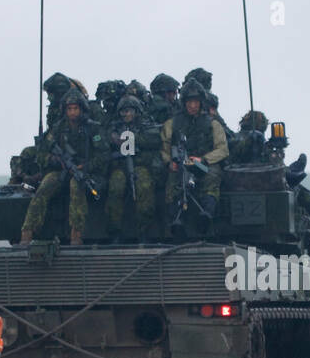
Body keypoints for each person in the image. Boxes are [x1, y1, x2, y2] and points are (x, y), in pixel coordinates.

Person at [20, 86, 107, 245]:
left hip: (85, 172)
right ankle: (27, 232)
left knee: (77, 186)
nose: (72, 112)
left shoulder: (92, 128)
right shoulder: (58, 128)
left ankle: (76, 234)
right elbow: (41, 153)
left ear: (82, 109)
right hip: (61, 171)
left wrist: (85, 166)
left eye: (75, 108)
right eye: (69, 109)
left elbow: (103, 155)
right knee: (44, 187)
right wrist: (54, 160)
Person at [162, 78, 228, 222]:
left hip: (204, 164)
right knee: (173, 183)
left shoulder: (213, 124)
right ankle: (174, 219)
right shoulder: (172, 124)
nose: (193, 106)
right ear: (184, 102)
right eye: (189, 102)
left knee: (212, 176)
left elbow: (222, 149)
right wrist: (169, 163)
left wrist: (203, 159)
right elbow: (165, 147)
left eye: (196, 102)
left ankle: (207, 214)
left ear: (201, 102)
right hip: (179, 163)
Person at [105, 95, 162, 238]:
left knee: (144, 186)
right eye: (123, 111)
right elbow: (100, 137)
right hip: (120, 166)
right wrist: (114, 139)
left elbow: (155, 138)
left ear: (137, 111)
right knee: (115, 186)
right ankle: (115, 231)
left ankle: (144, 230)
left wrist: (134, 138)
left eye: (130, 111)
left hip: (140, 165)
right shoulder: (114, 127)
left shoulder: (146, 126)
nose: (127, 114)